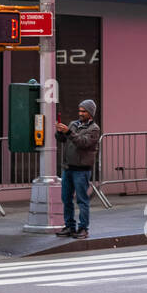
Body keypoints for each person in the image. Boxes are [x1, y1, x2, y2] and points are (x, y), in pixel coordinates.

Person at [55, 100, 101, 239]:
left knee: (82, 200)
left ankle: (83, 228)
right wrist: (60, 133)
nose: (80, 114)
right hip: (68, 167)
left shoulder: (94, 129)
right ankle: (69, 226)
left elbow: (83, 143)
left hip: (82, 170)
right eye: (79, 111)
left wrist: (68, 132)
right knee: (66, 198)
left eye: (84, 111)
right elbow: (63, 140)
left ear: (90, 113)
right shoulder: (73, 124)